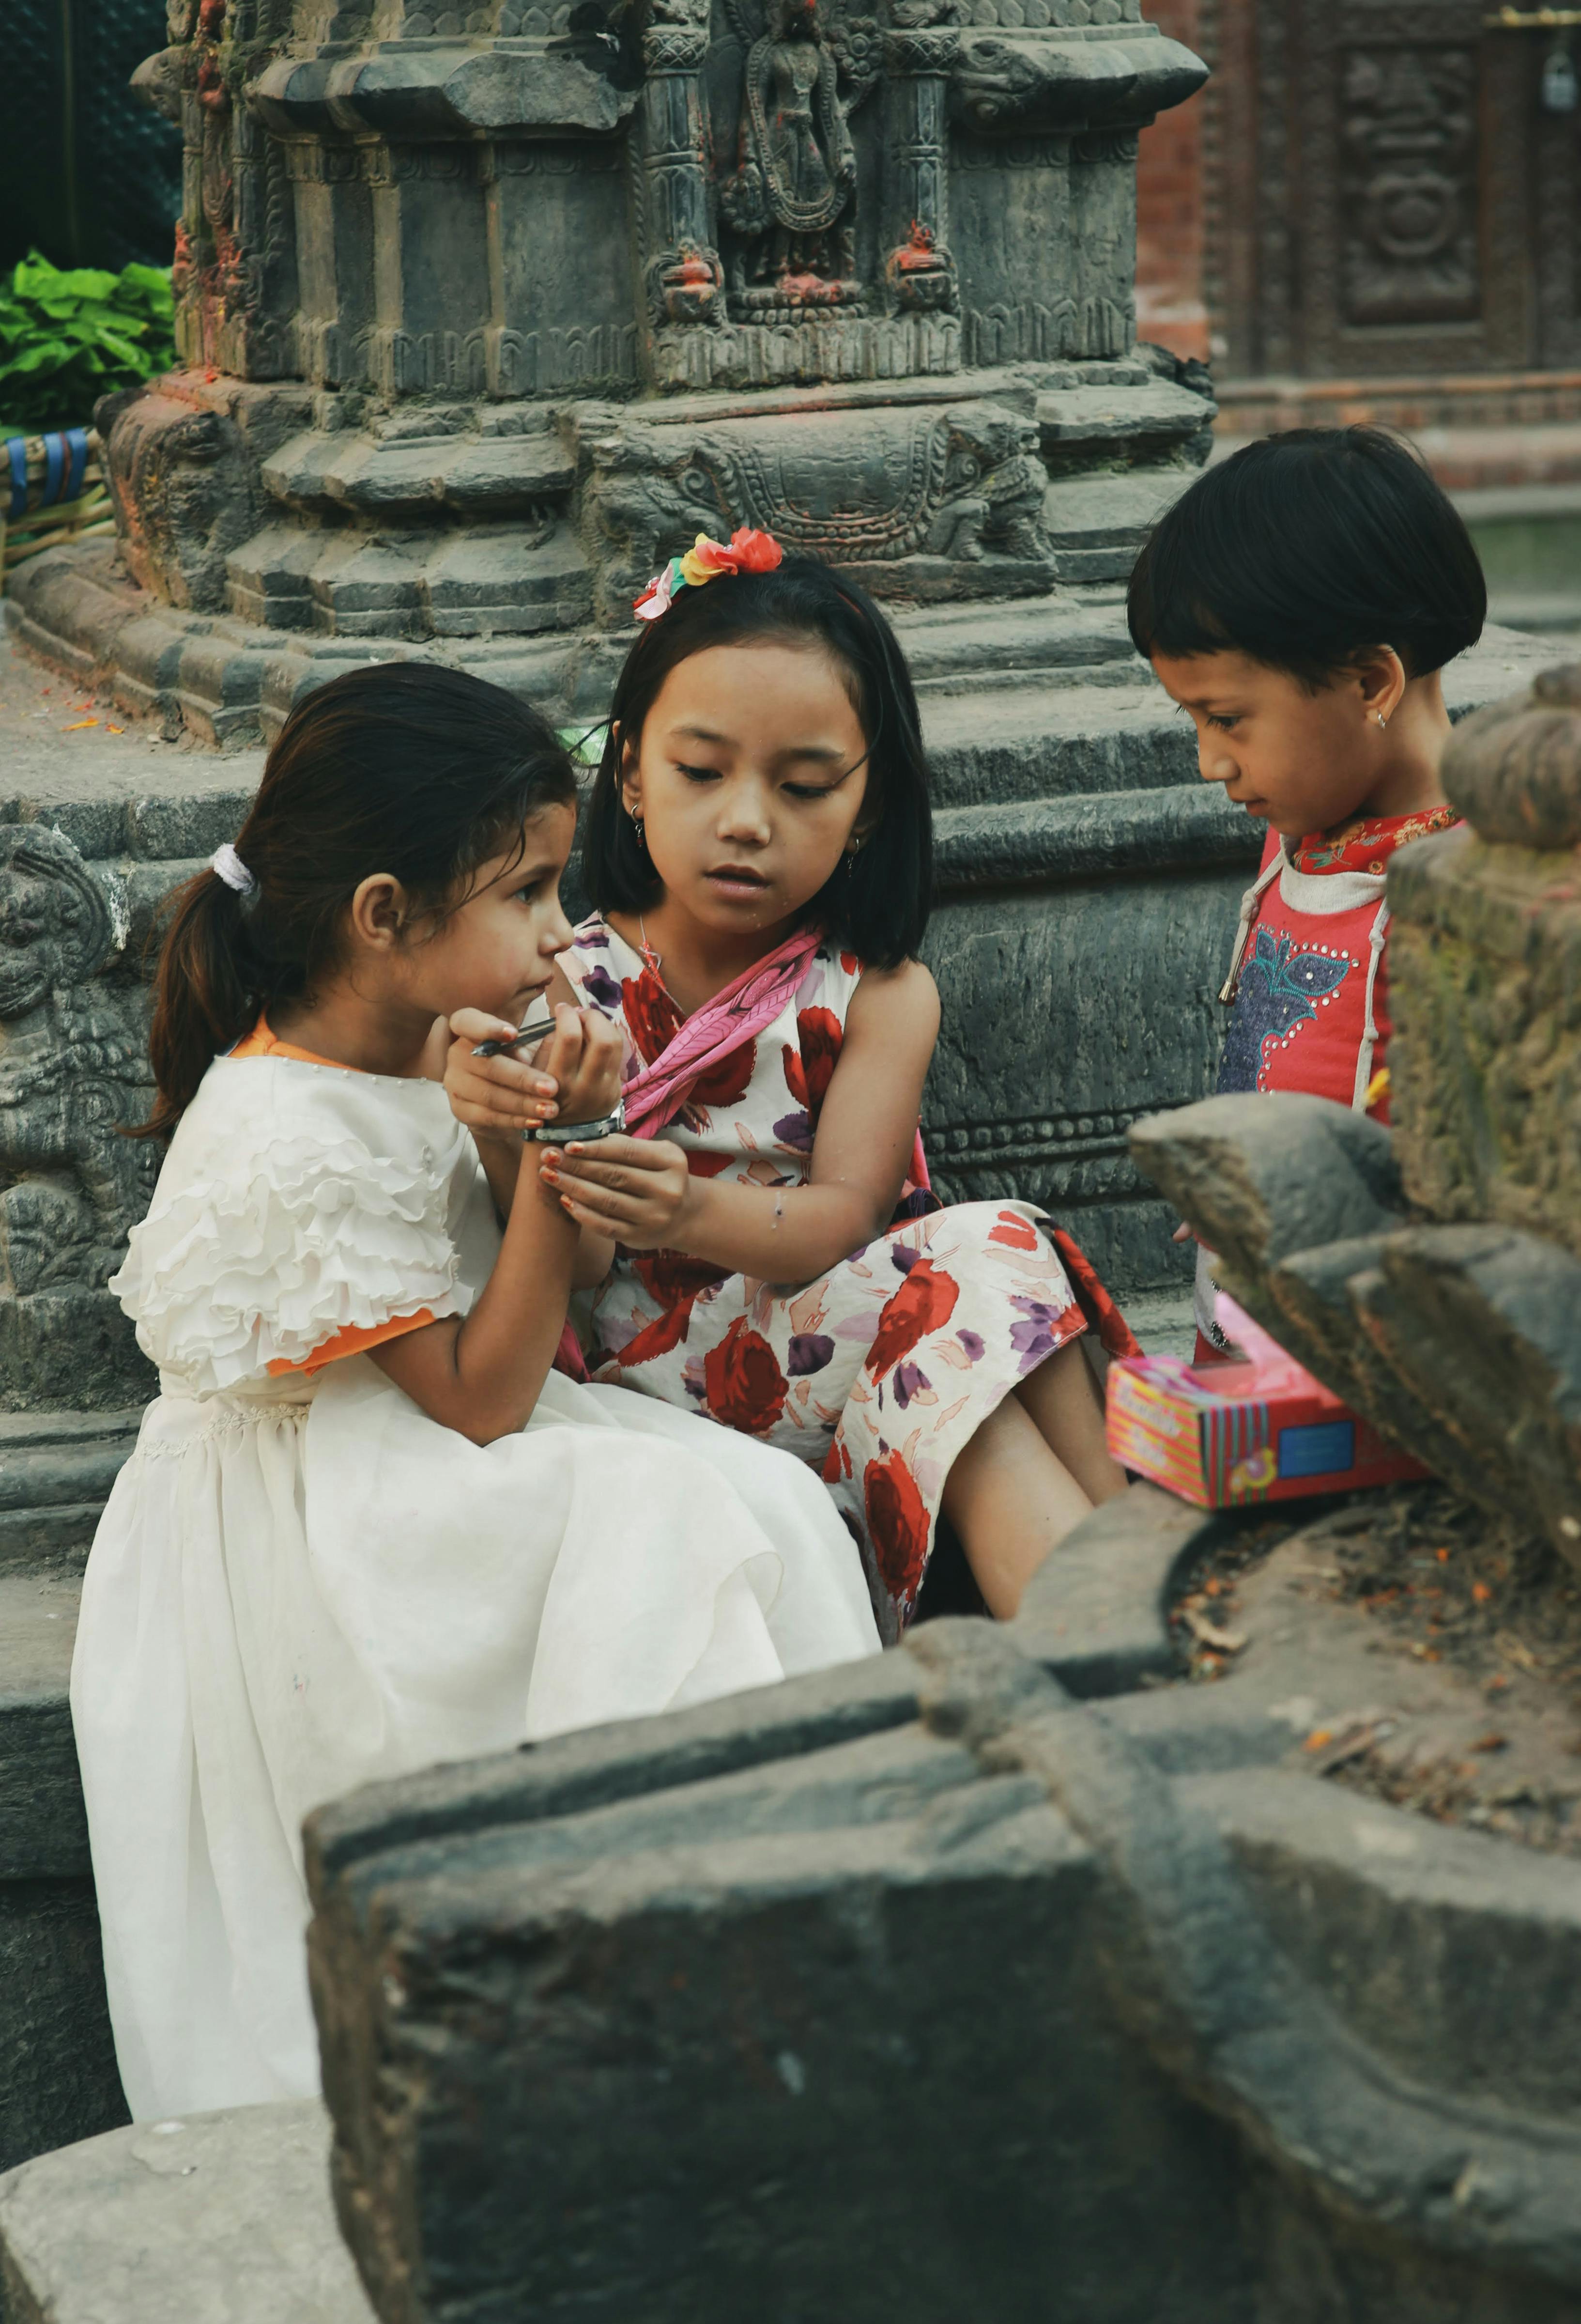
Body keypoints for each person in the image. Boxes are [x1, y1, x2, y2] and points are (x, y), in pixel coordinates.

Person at [71, 662, 879, 2123]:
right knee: (653, 1522)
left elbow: (535, 1304)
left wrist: (539, 1132)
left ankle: (777, 1959)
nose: (563, 932)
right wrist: (553, 1156)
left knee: (749, 1494)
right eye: (526, 892)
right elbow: (486, 1395)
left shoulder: (419, 1046)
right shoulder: (280, 1127)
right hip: (318, 1518)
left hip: (418, 1448)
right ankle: (668, 2002)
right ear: (384, 915)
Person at [445, 530, 1134, 1642]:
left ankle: (1122, 1624)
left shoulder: (874, 992)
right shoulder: (563, 978)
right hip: (655, 1376)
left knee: (981, 1358)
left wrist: (692, 1207)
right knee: (996, 1253)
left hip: (827, 1317)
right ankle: (1154, 1593)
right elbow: (572, 1265)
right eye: (700, 772)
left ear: (865, 806)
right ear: (626, 771)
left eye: (804, 784)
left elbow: (844, 1217)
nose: (747, 819)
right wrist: (507, 1129)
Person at [1125, 426, 1488, 1357]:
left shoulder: (1484, 884)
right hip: (1244, 1287)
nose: (1210, 761)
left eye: (1228, 717)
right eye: (1194, 719)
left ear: (1370, 680)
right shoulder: (1294, 844)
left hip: (1395, 1323)